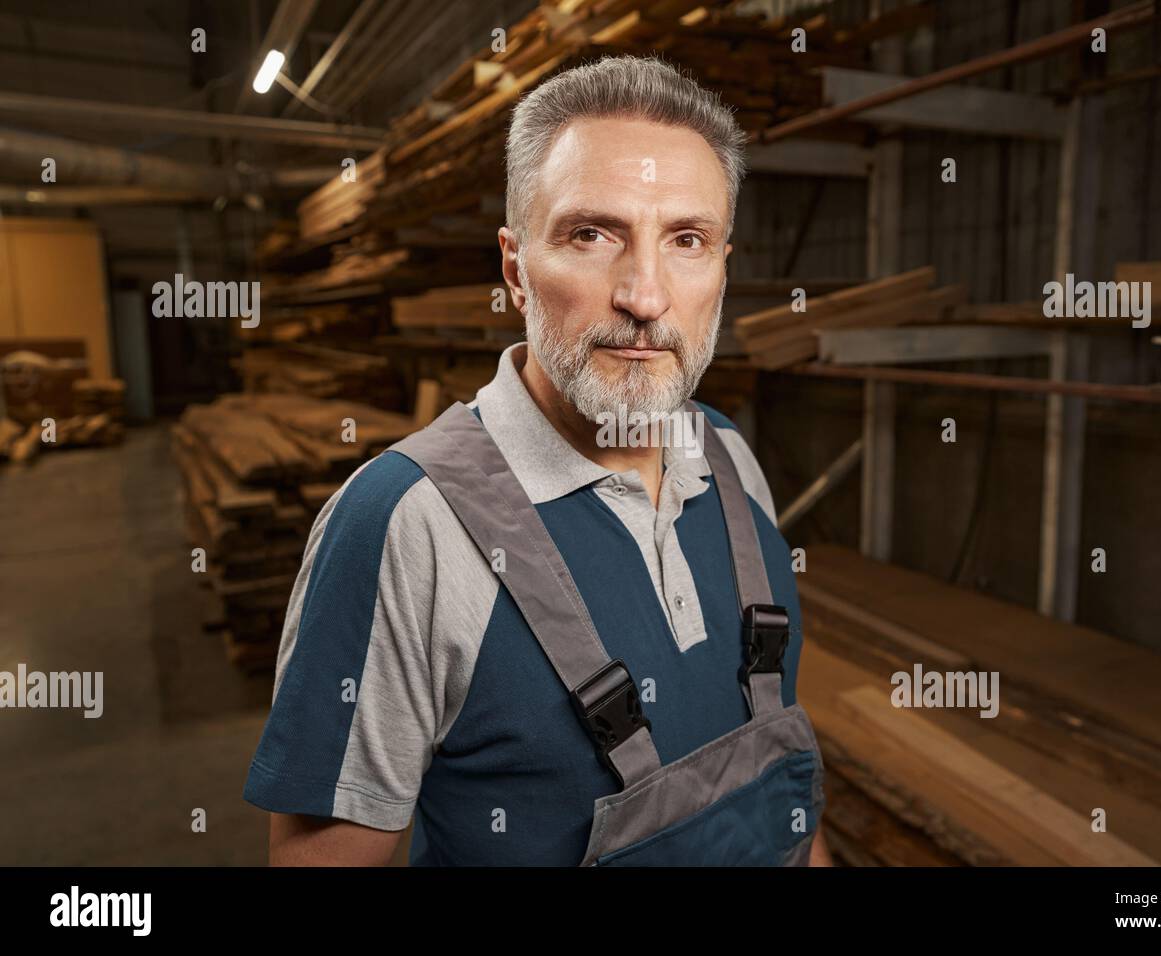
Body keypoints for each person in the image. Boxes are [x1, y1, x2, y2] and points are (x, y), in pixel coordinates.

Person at [243, 54, 830, 867]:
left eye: (687, 240)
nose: (645, 296)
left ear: (724, 267)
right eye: (592, 235)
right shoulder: (405, 526)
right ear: (515, 268)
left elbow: (785, 802)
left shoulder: (729, 460)